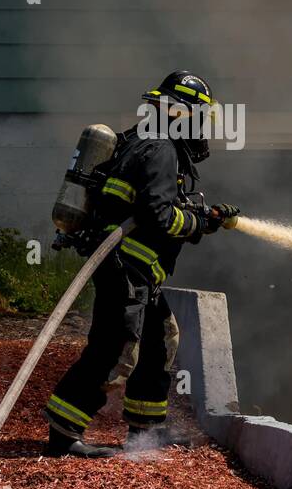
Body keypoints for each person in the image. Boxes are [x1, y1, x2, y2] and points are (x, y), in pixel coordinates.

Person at [43, 71, 240, 458]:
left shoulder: (142, 141)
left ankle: (144, 431)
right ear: (180, 114)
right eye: (200, 118)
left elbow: (147, 203)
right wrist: (202, 222)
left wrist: (206, 214)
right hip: (126, 267)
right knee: (113, 349)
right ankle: (64, 433)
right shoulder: (161, 148)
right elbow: (158, 216)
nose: (203, 130)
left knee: (159, 340)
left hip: (137, 270)